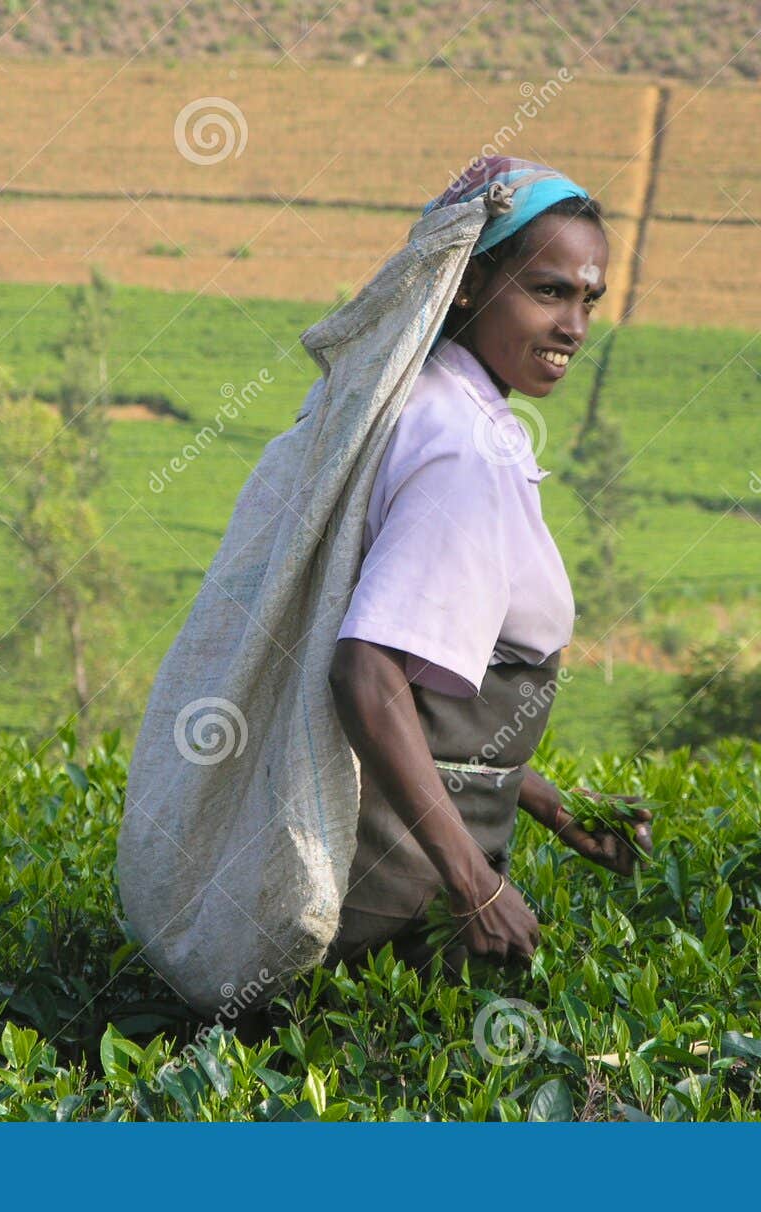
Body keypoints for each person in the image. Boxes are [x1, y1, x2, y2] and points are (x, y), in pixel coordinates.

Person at [323, 156, 655, 980]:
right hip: (397, 896)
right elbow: (366, 672)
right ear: (468, 285)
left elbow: (436, 702)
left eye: (589, 300)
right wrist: (472, 882)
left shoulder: (446, 406)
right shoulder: (460, 448)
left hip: (406, 873)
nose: (575, 326)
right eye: (548, 291)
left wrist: (547, 801)